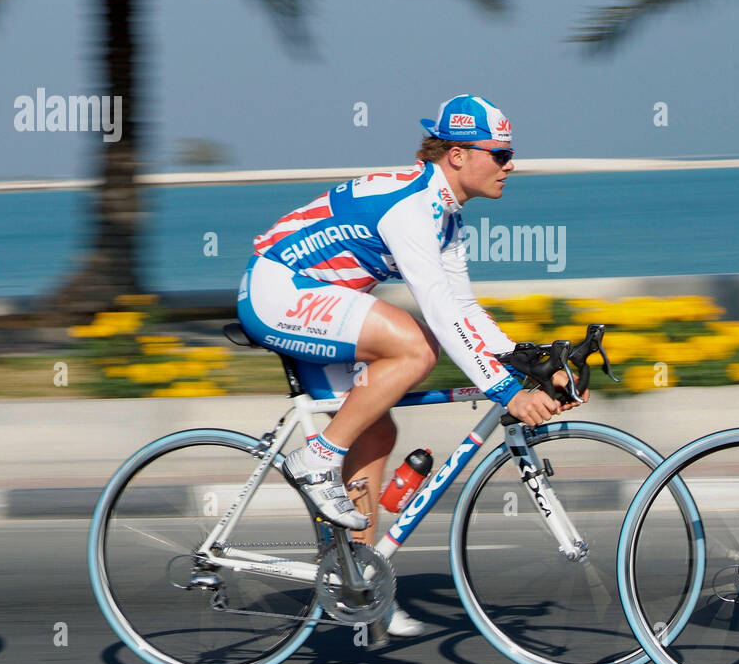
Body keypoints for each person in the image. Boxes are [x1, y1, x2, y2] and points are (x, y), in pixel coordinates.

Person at [237, 94, 584, 636]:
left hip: (316, 298)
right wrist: (505, 393)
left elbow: (465, 308)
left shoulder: (446, 216)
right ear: (458, 155)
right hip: (278, 291)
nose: (510, 164)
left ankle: (358, 585)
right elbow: (441, 318)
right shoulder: (414, 208)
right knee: (415, 347)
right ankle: (316, 457)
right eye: (500, 153)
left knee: (375, 431)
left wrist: (528, 364)